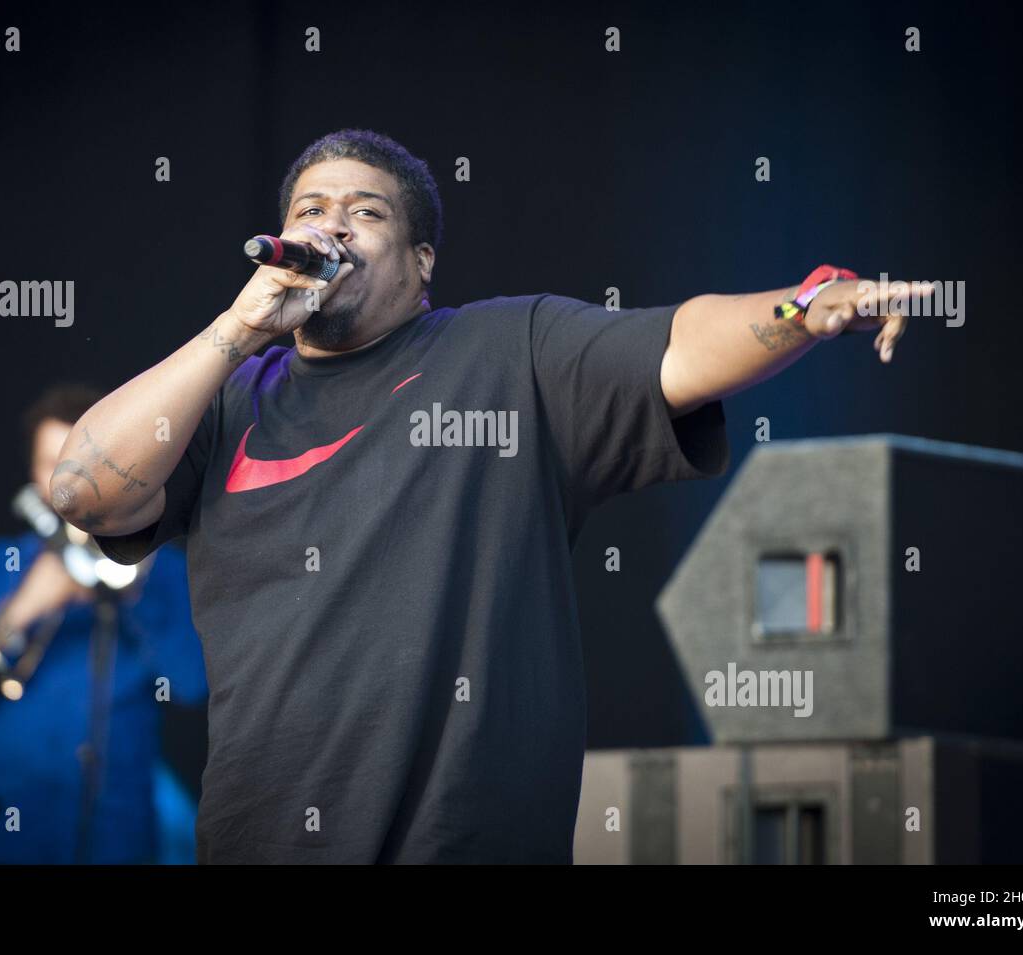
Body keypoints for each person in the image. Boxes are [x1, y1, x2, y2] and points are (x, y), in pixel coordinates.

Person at [47, 129, 925, 863]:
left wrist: (805, 304)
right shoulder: (232, 395)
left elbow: (681, 345)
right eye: (309, 211)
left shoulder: (509, 349)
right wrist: (233, 333)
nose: (331, 227)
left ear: (422, 260)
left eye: (366, 211)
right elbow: (82, 490)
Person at [0, 384, 207, 864]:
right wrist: (19, 611)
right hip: (7, 835)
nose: (65, 484)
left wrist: (136, 589)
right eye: (49, 465)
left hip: (119, 839)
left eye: (81, 465)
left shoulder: (165, 571)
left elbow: (193, 683)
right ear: (33, 476)